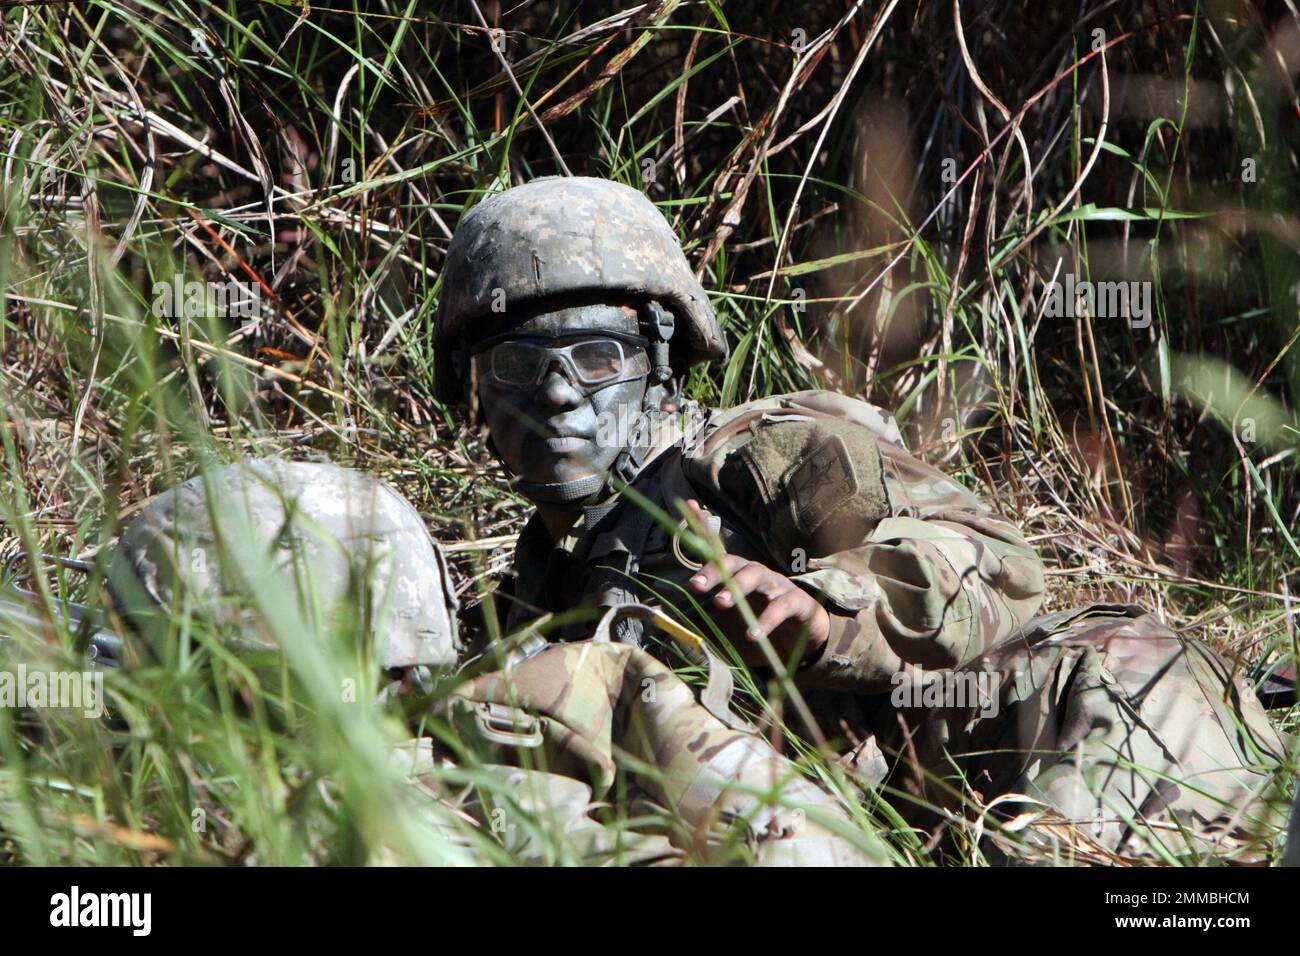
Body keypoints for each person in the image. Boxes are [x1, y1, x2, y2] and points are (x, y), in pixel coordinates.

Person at [433, 175, 1288, 863]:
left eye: (595, 357)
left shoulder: (749, 457)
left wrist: (829, 605)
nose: (556, 395)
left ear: (660, 364)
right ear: (470, 390)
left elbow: (993, 562)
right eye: (516, 364)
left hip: (1057, 726)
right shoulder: (528, 602)